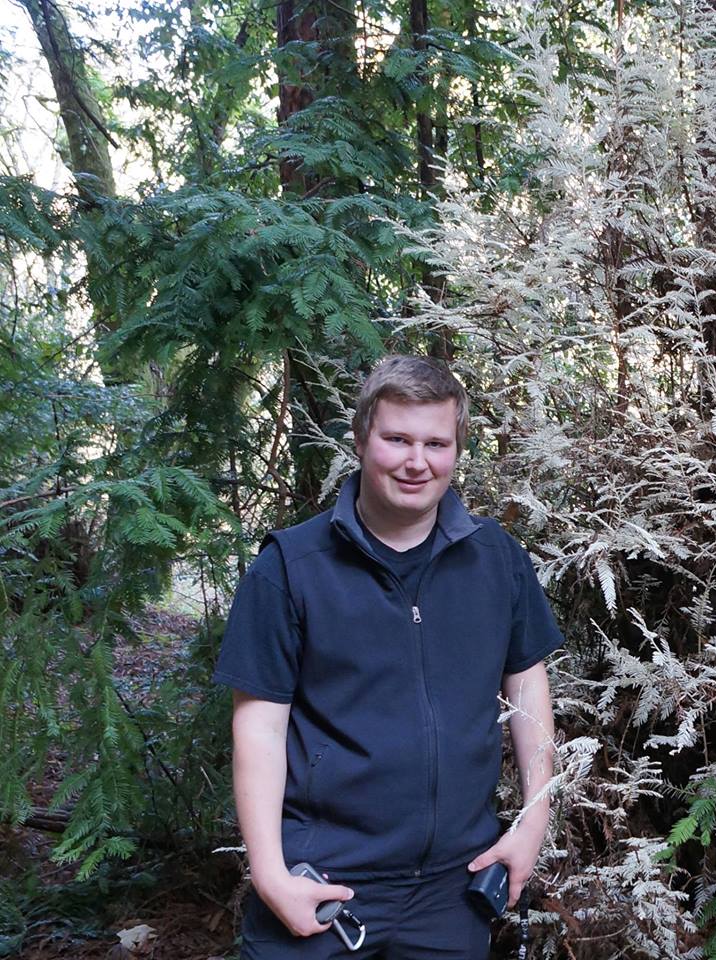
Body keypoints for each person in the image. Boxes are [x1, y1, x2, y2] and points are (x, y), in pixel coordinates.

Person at [214, 355, 563, 959]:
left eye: (435, 442)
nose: (415, 461)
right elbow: (260, 730)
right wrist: (271, 876)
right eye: (396, 438)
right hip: (324, 883)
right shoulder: (289, 568)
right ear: (360, 439)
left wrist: (533, 822)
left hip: (455, 890)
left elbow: (529, 689)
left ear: (456, 450)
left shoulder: (498, 560)